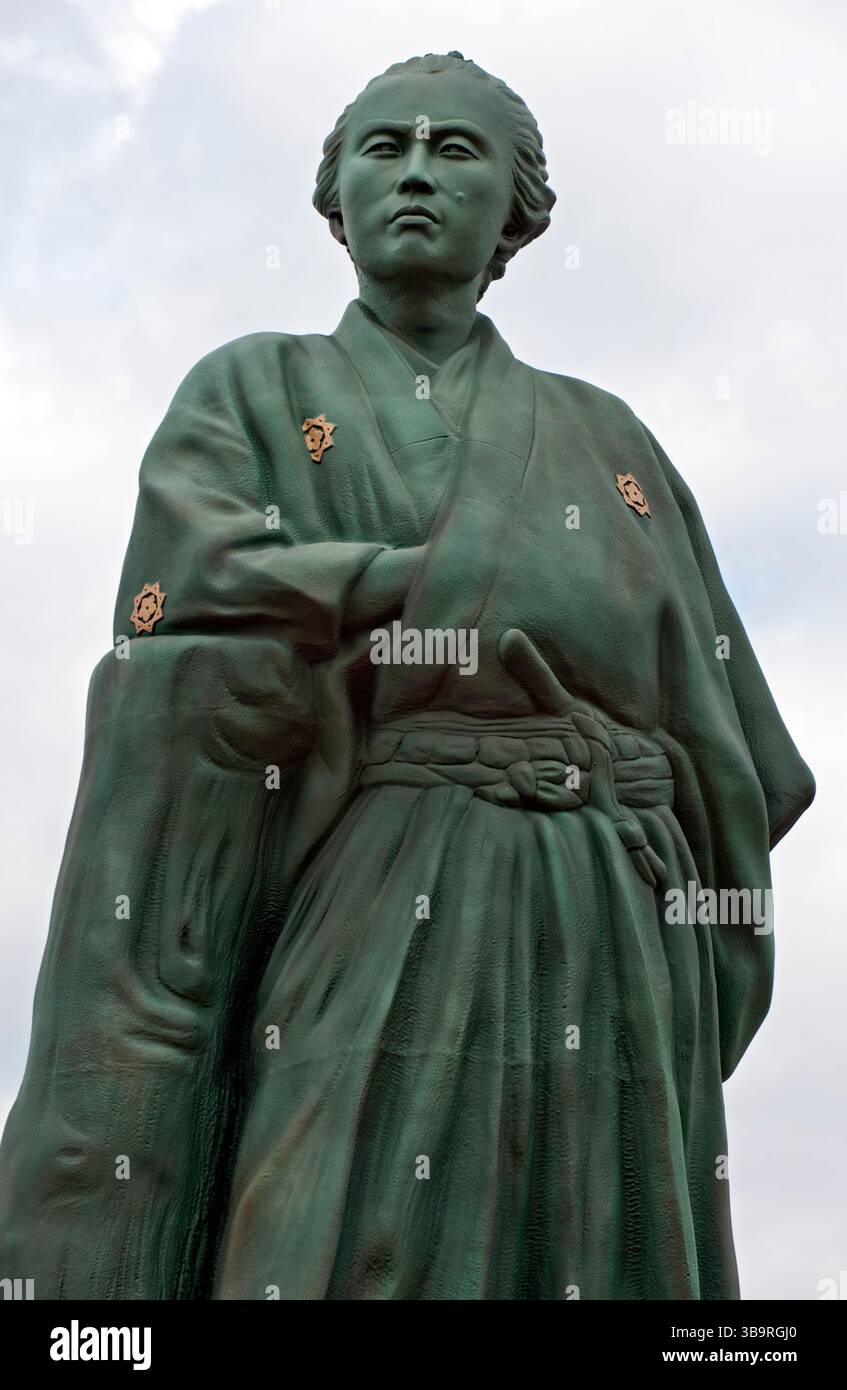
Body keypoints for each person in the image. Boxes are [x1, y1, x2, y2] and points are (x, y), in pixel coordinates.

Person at [0, 52, 814, 1301]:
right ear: (334, 199)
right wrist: (412, 582)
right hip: (383, 881)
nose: (419, 173)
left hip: (607, 911)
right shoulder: (257, 389)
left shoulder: (610, 440)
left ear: (518, 215)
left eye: (457, 150)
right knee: (329, 1238)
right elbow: (188, 595)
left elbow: (728, 752)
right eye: (385, 149)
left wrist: (679, 933)